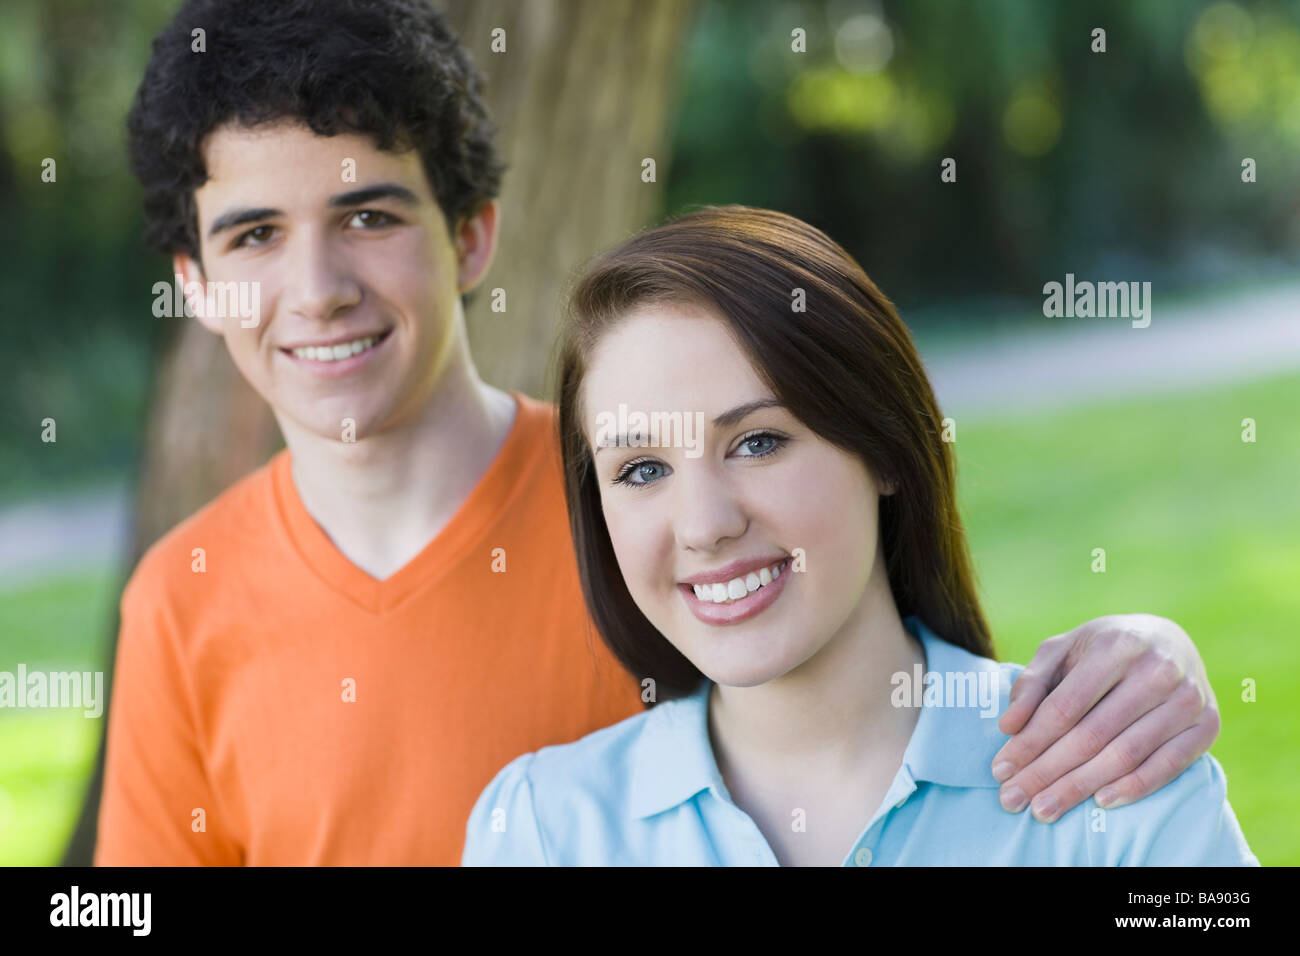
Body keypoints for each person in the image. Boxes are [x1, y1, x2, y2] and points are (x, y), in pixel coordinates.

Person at [96, 0, 1225, 866]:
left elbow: (906, 702)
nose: (318, 288)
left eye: (369, 215)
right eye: (251, 237)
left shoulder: (646, 516)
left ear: (474, 236)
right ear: (193, 283)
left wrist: (1146, 645)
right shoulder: (181, 600)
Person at [461, 206, 1257, 866]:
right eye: (640, 471)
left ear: (881, 447)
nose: (704, 526)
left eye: (759, 442)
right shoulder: (541, 831)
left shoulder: (1121, 782)